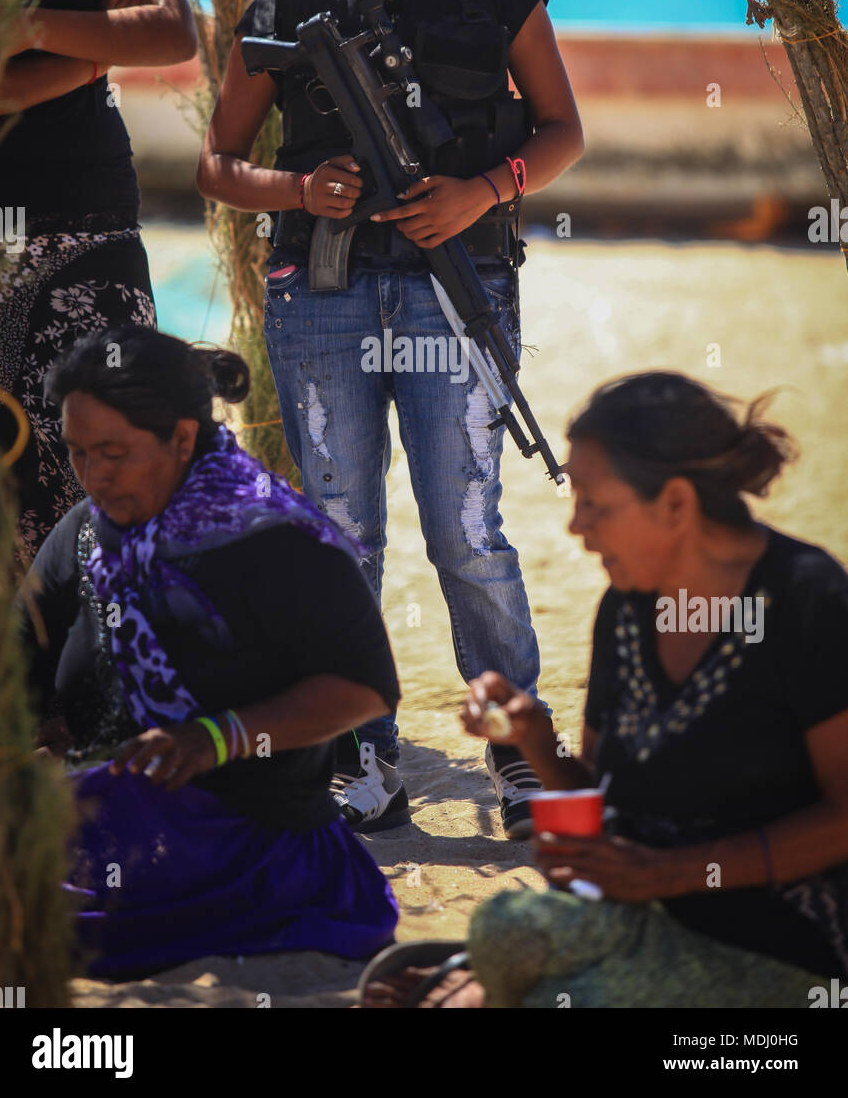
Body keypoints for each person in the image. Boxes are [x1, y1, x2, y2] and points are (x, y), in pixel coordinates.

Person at [197, 0, 585, 836]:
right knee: (340, 534)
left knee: (467, 529)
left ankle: (517, 749)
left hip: (457, 294)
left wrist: (480, 192)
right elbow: (217, 161)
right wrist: (297, 190)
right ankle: (358, 751)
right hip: (320, 296)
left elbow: (558, 131)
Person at [360, 372, 848, 1007]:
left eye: (593, 501)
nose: (575, 527)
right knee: (502, 925)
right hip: (644, 918)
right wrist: (533, 736)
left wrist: (671, 872)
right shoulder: (628, 610)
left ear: (675, 503)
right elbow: (600, 800)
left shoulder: (807, 601)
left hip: (780, 946)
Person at [16, 325, 400, 980]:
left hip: (252, 842)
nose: (93, 475)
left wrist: (215, 737)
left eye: (114, 451)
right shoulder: (89, 529)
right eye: (78, 452)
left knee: (41, 929)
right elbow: (20, 653)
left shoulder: (278, 540)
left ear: (183, 438)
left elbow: (364, 689)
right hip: (109, 809)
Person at [0, 0, 197, 566]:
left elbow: (173, 30)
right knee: (0, 473)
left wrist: (27, 25)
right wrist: (97, 44)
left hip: (89, 218)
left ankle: (108, 676)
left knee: (107, 455)